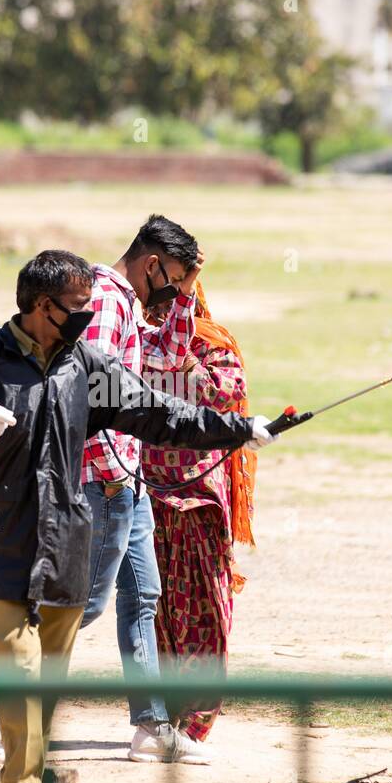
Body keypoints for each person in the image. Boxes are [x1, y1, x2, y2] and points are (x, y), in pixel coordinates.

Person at [0, 249, 276, 783]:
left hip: (69, 532)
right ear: (41, 305)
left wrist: (237, 429)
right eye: (77, 306)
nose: (87, 315)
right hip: (0, 532)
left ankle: (26, 778)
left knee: (49, 670)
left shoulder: (87, 366)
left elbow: (158, 414)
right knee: (19, 658)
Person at [80, 214, 212, 763]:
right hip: (105, 478)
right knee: (80, 605)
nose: (173, 291)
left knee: (142, 597)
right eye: (172, 279)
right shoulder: (105, 301)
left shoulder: (126, 303)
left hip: (126, 478)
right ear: (151, 264)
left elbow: (166, 358)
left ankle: (152, 727)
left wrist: (185, 292)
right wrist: (113, 476)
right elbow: (94, 392)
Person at [141, 283, 256, 743]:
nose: (163, 311)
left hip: (198, 501)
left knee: (205, 607)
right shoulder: (136, 341)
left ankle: (196, 720)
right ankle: (164, 712)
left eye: (175, 302)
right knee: (157, 608)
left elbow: (228, 396)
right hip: (146, 496)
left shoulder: (212, 343)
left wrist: (185, 362)